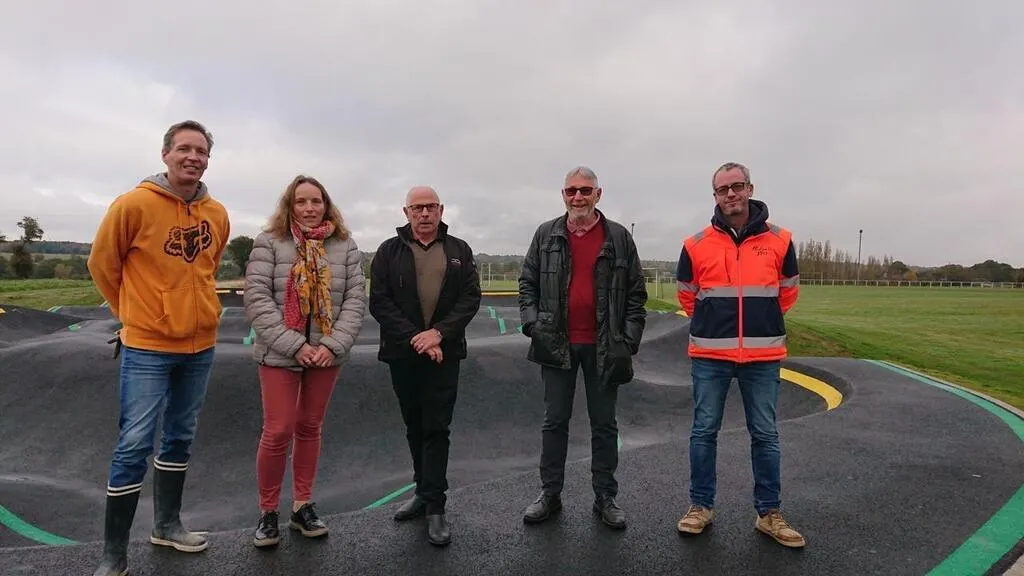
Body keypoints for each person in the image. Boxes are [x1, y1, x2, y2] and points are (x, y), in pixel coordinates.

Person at [86, 120, 231, 576]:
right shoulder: (133, 205)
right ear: (166, 154)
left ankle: (167, 525)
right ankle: (114, 555)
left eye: (201, 151)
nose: (193, 157)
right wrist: (132, 313)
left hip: (201, 345)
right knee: (134, 444)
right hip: (148, 346)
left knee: (180, 435)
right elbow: (102, 264)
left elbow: (208, 267)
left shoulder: (217, 213)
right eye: (184, 148)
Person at [674, 161, 805, 548]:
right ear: (714, 196)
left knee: (765, 434)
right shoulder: (695, 244)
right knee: (704, 431)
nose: (730, 194)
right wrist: (715, 324)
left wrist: (760, 324)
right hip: (710, 355)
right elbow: (687, 295)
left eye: (737, 186)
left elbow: (787, 292)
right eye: (722, 189)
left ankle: (769, 513)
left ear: (750, 188)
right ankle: (700, 506)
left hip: (762, 357)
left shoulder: (780, 240)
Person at [517, 166, 648, 530]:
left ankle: (605, 496)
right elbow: (527, 283)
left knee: (604, 424)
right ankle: (550, 494)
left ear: (598, 194)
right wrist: (533, 326)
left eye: (585, 190)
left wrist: (628, 339)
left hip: (605, 347)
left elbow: (636, 293)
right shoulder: (545, 234)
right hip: (556, 343)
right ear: (563, 195)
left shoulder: (618, 237)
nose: (578, 197)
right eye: (572, 190)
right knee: (554, 421)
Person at [243, 175, 367, 548]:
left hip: (326, 353)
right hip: (279, 353)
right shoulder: (269, 242)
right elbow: (257, 299)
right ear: (290, 206)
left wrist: (333, 344)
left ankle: (302, 506)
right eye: (301, 201)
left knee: (310, 427)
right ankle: (268, 512)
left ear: (326, 205)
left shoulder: (344, 245)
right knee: (278, 430)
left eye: (316, 201)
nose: (310, 208)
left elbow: (355, 299)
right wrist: (295, 345)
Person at [368, 185, 481, 547]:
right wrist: (417, 338)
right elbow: (380, 303)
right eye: (417, 208)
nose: (425, 213)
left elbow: (470, 299)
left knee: (436, 427)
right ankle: (421, 490)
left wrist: (438, 334)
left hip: (445, 354)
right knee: (414, 425)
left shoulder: (459, 250)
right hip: (403, 354)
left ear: (441, 209)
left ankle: (435, 506)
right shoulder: (388, 252)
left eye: (430, 206)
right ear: (406, 213)